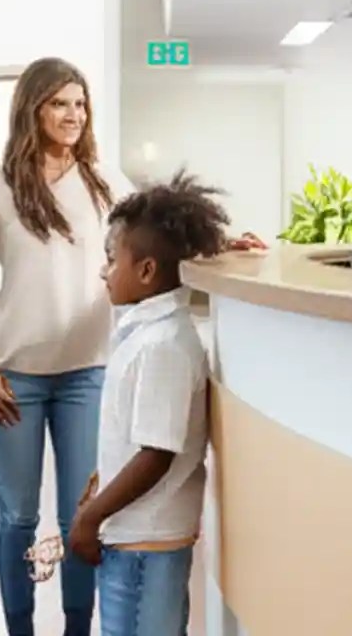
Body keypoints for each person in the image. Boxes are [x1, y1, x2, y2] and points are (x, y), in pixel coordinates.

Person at [0, 57, 122, 636]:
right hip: (12, 377)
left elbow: (161, 228)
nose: (73, 115)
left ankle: (77, 627)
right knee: (18, 516)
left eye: (80, 103)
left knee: (82, 515)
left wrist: (220, 238)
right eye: (59, 103)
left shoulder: (104, 182)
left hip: (88, 374)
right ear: (32, 109)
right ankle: (19, 629)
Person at [68, 171, 226, 636]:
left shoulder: (163, 345)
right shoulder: (147, 334)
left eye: (110, 258)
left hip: (143, 542)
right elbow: (135, 431)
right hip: (135, 533)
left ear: (146, 271)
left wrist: (89, 518)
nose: (103, 270)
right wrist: (101, 484)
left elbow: (157, 453)